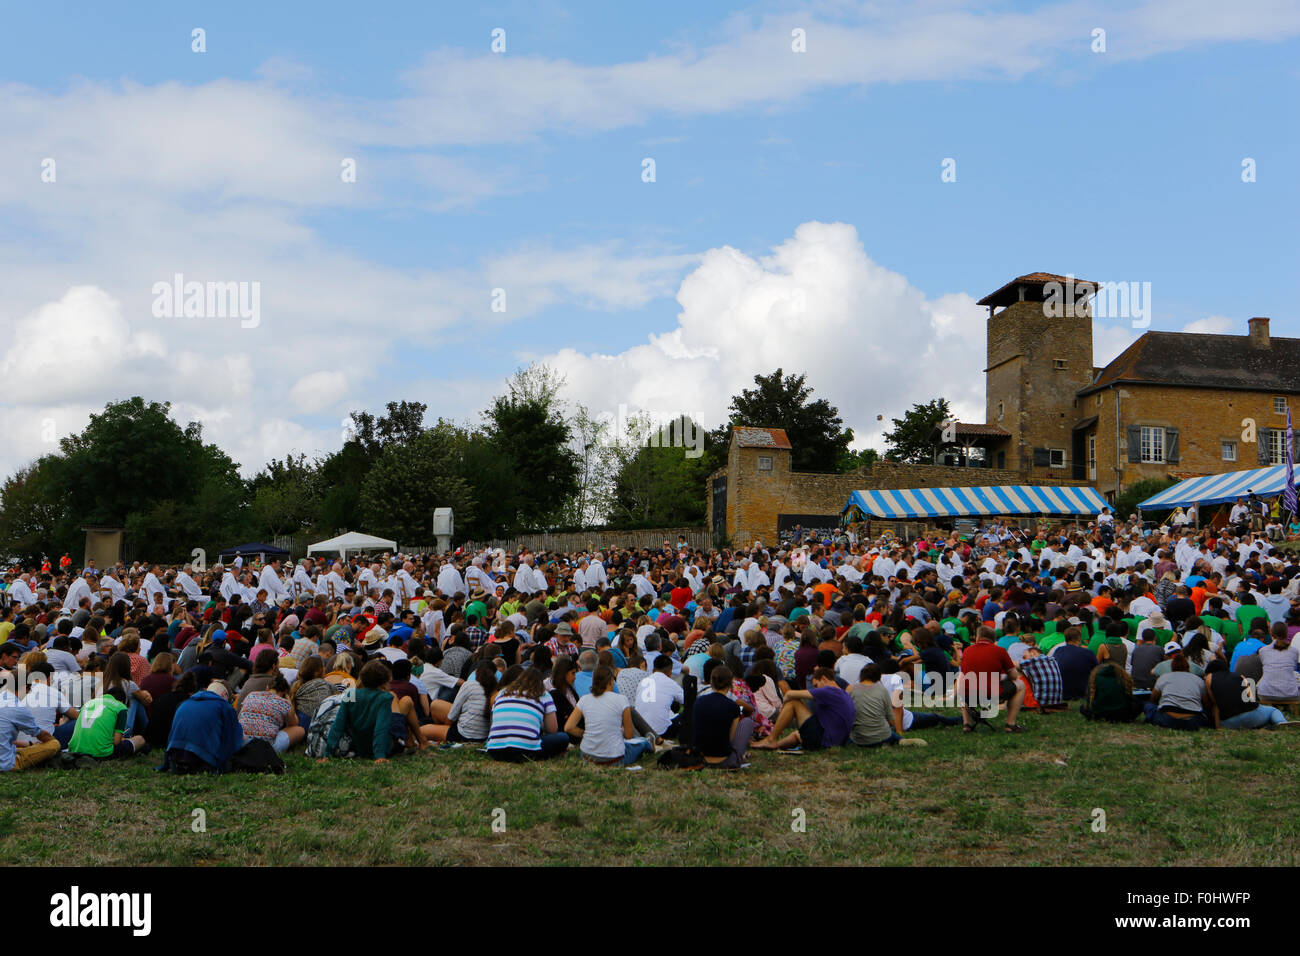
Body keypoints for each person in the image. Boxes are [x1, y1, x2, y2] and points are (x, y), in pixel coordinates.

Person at [323, 660, 425, 763]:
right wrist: (380, 755)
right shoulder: (384, 697)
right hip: (384, 746)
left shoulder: (350, 694)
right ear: (384, 680)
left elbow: (338, 725)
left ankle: (416, 742)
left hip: (359, 747)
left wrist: (327, 754)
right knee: (407, 702)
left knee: (405, 703)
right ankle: (421, 742)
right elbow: (381, 728)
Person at [565, 664, 654, 766]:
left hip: (587, 756)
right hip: (614, 759)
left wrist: (585, 733)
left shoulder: (584, 699)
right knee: (640, 743)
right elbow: (629, 736)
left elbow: (568, 727)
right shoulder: (621, 700)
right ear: (611, 681)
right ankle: (648, 743)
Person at [751, 667, 855, 751]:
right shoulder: (843, 693)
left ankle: (771, 739)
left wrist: (784, 704)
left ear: (823, 679)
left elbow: (790, 694)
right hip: (835, 741)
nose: (816, 688)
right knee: (798, 734)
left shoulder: (829, 690)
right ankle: (773, 745)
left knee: (794, 702)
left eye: (816, 685)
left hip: (823, 741)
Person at [485, 667, 569, 762]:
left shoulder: (501, 693)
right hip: (526, 751)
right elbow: (552, 730)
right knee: (563, 737)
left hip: (495, 751)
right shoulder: (544, 695)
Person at [691, 666, 754, 767]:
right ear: (730, 683)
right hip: (724, 759)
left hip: (700, 758)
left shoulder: (699, 702)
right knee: (747, 722)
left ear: (711, 681)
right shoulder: (733, 706)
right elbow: (731, 739)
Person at [1204, 660, 1289, 729]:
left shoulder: (1209, 679)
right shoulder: (1240, 676)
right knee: (1272, 710)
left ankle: (1265, 725)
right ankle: (1281, 722)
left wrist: (1218, 727)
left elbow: (1215, 703)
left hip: (1229, 722)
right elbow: (1250, 697)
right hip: (1252, 716)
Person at [68, 686, 147, 760]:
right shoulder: (120, 707)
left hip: (75, 750)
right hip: (101, 754)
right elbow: (116, 742)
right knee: (140, 739)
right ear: (122, 701)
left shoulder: (88, 703)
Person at [1145, 651, 1211, 731]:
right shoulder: (1198, 680)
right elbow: (1206, 703)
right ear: (1188, 666)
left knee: (1148, 705)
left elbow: (1153, 699)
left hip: (1167, 718)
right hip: (1192, 720)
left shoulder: (1164, 677)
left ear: (1172, 666)